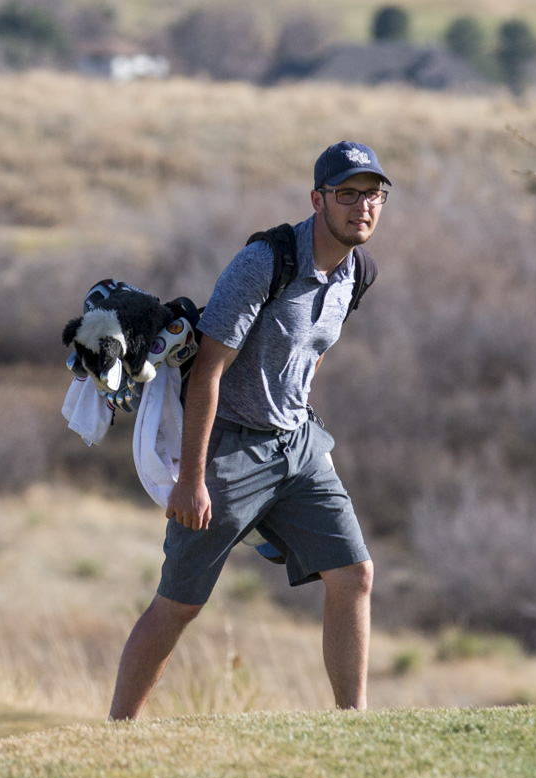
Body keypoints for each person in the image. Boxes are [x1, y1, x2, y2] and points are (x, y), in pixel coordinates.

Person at [108, 141, 391, 720]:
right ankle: (117, 730)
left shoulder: (358, 271)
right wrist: (192, 479)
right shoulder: (264, 263)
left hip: (299, 443)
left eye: (373, 194)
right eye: (346, 194)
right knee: (179, 604)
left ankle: (353, 724)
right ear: (318, 199)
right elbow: (208, 371)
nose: (361, 207)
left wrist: (302, 428)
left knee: (354, 574)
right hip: (228, 446)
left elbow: (306, 354)